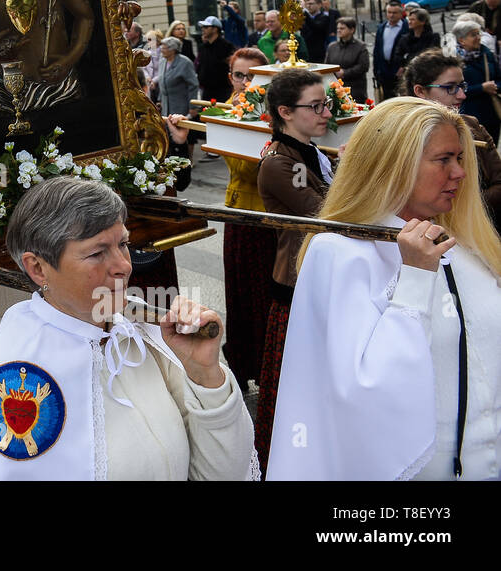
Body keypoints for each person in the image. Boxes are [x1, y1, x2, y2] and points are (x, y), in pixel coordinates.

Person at [0, 177, 255, 480]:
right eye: (97, 253)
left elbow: (222, 473)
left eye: (123, 245)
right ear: (38, 267)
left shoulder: (147, 338)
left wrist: (205, 375)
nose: (123, 266)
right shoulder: (15, 378)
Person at [268, 97, 501, 480]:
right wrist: (414, 277)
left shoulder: (468, 245)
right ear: (396, 164)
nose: (459, 173)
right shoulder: (339, 252)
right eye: (444, 160)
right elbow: (359, 390)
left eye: (459, 158)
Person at [255, 68, 333, 471]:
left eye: (327, 104)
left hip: (322, 275)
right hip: (297, 280)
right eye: (316, 106)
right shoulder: (280, 162)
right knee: (297, 384)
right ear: (285, 111)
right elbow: (326, 212)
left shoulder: (310, 152)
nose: (325, 114)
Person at [212, 47, 276, 391]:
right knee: (242, 296)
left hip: (277, 218)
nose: (248, 82)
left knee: (271, 297)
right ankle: (244, 365)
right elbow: (242, 167)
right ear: (231, 78)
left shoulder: (279, 108)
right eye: (241, 75)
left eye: (255, 76)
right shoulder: (230, 112)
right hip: (244, 213)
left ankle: (274, 365)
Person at [403, 49, 501, 231]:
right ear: (420, 91)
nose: (462, 95)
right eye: (450, 87)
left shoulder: (473, 126)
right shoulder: (400, 136)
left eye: (462, 86)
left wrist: (460, 203)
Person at [453, 18, 501, 141]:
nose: (478, 37)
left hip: (491, 111)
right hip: (469, 113)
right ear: (461, 40)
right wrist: (481, 88)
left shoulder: (487, 54)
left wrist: (495, 86)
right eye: (473, 35)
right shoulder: (453, 59)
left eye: (478, 33)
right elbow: (453, 89)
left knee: (492, 149)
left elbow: (498, 77)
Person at [324, 16, 370, 103]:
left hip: (355, 89)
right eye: (337, 28)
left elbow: (363, 66)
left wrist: (345, 72)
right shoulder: (332, 47)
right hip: (336, 89)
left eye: (342, 28)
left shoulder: (360, 46)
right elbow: (327, 64)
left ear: (352, 30)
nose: (339, 30)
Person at [152, 36, 198, 117]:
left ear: (173, 50)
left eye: (164, 48)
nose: (161, 50)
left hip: (181, 107)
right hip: (165, 108)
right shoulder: (162, 61)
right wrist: (160, 100)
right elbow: (162, 81)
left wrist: (193, 106)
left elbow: (193, 85)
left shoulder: (185, 63)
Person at [195, 16, 235, 104]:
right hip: (207, 92)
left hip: (223, 91)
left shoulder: (226, 46)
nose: (203, 29)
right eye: (202, 27)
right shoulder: (203, 47)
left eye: (206, 27)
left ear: (215, 29)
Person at [372, 0, 407, 101]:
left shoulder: (406, 27)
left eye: (394, 13)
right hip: (384, 71)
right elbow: (377, 50)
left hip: (399, 71)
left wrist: (404, 66)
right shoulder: (382, 28)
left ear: (401, 14)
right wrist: (376, 70)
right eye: (389, 12)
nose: (391, 15)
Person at [392, 6, 439, 75]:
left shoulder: (433, 37)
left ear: (422, 22)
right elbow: (397, 56)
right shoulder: (405, 39)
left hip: (428, 73)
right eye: (409, 19)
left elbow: (431, 55)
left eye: (413, 20)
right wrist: (406, 63)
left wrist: (409, 57)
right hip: (410, 73)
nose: (409, 22)